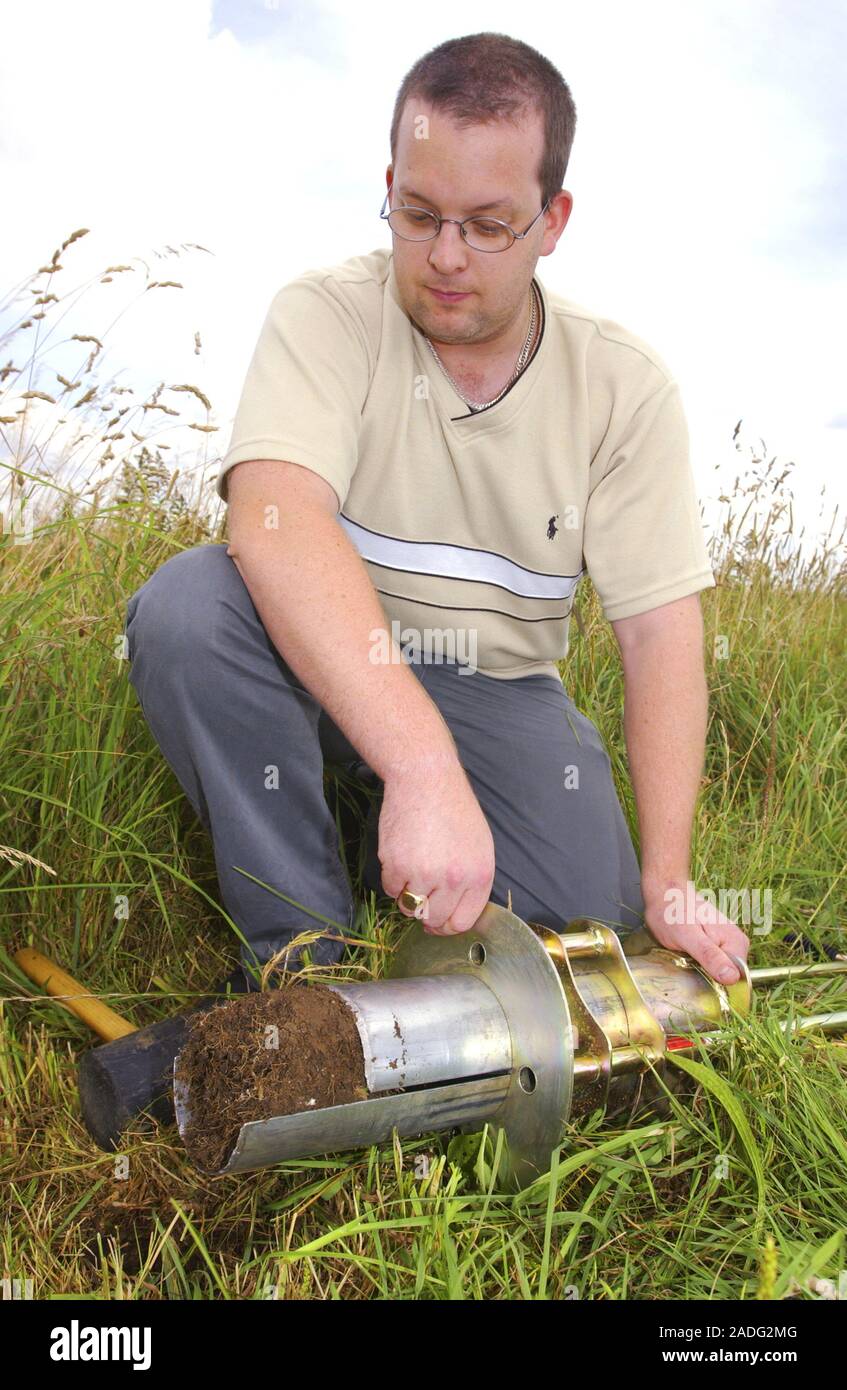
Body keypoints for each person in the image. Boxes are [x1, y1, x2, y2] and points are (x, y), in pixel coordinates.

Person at [125, 31, 750, 991]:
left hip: (498, 688)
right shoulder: (324, 313)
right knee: (188, 608)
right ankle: (300, 963)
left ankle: (383, 820)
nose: (445, 257)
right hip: (320, 651)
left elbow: (659, 635)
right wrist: (422, 766)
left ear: (552, 220)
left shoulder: (624, 387)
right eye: (417, 215)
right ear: (390, 185)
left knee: (593, 943)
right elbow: (272, 521)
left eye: (488, 226)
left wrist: (668, 879)